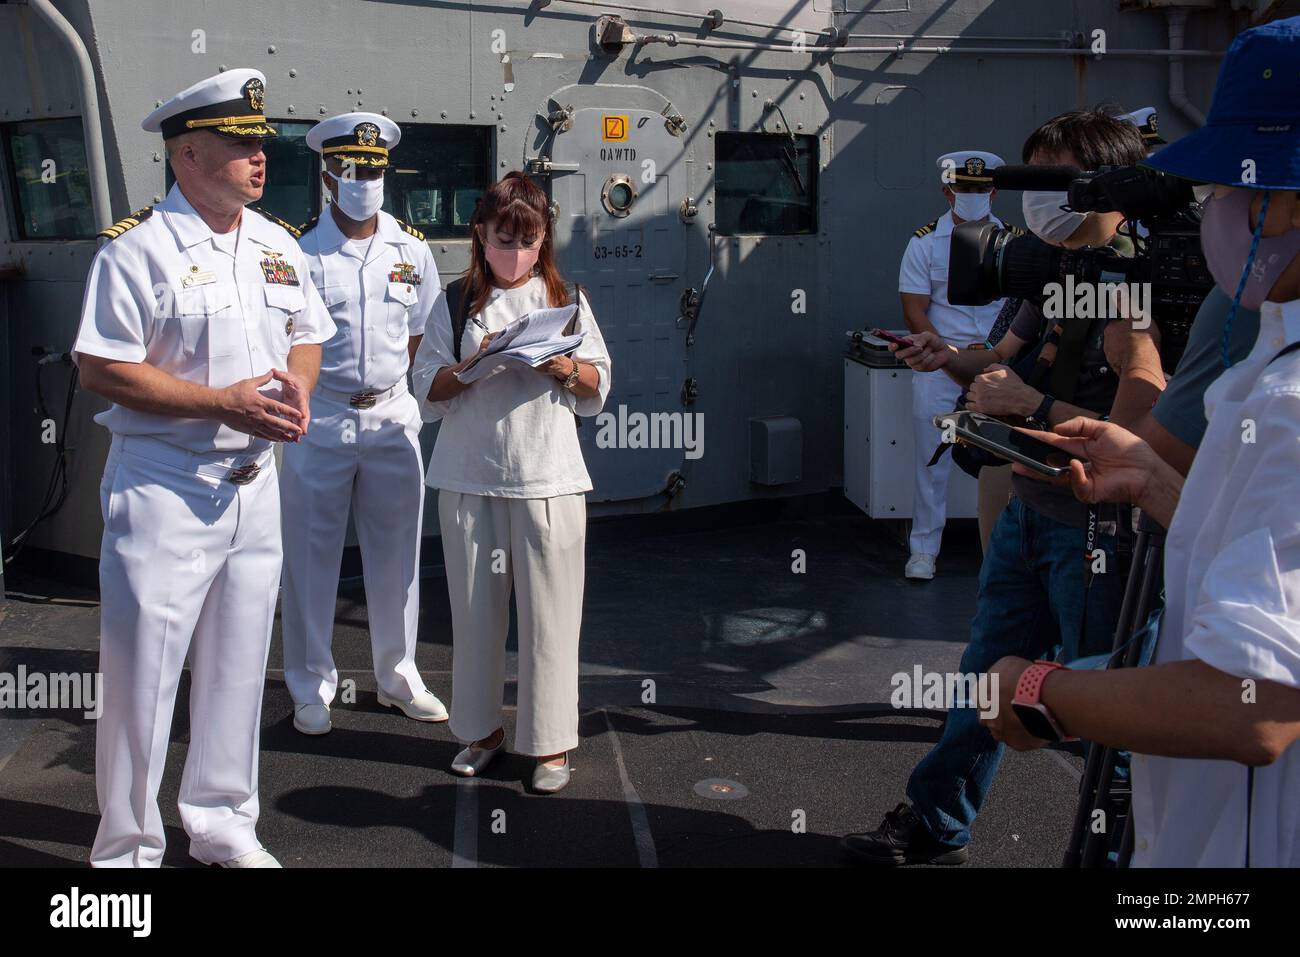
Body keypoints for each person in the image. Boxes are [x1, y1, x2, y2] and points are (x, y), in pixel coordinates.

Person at [983, 17, 1300, 866]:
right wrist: (1158, 481)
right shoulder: (1273, 367)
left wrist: (1043, 692)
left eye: (1230, 193)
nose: (1216, 216)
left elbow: (1254, 706)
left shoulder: (1289, 400)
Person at [842, 110, 1150, 865]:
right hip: (1031, 510)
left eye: (1052, 178)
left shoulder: (1131, 284)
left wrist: (1031, 407)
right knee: (985, 679)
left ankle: (1128, 857)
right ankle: (937, 819)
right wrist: (940, 353)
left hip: (1098, 530)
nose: (1035, 201)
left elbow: (1140, 432)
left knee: (1110, 710)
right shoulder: (1046, 272)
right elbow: (995, 360)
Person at [71, 69, 335, 867]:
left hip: (256, 489)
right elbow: (101, 368)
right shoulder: (137, 252)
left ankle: (222, 819)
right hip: (165, 486)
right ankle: (126, 852)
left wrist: (299, 389)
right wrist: (220, 403)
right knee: (141, 680)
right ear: (188, 154)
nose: (260, 158)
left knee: (236, 666)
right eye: (241, 145)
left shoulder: (277, 243)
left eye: (261, 145)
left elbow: (308, 333)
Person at [410, 172, 612, 793]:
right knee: (474, 616)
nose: (516, 255)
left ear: (545, 239)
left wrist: (564, 366)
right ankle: (481, 730)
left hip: (548, 478)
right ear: (480, 235)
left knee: (552, 620)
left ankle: (551, 744)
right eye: (504, 240)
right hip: (469, 478)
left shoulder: (567, 296)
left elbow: (598, 387)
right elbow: (424, 386)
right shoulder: (453, 300)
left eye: (528, 242)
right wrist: (474, 365)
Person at [280, 113, 448, 735]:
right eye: (350, 170)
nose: (363, 181)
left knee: (398, 554)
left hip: (391, 415)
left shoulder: (413, 249)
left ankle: (399, 675)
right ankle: (310, 685)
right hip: (320, 417)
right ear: (327, 175)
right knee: (309, 556)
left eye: (373, 170)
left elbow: (422, 339)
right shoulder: (298, 251)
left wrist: (396, 395)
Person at [896, 151, 1009, 580]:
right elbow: (914, 309)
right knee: (931, 459)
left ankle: (1001, 554)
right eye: (965, 188)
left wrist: (997, 353)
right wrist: (942, 354)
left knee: (1007, 457)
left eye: (981, 189)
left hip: (998, 362)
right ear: (948, 192)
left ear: (994, 192)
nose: (974, 196)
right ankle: (924, 550)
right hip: (941, 363)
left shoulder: (1011, 242)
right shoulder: (924, 243)